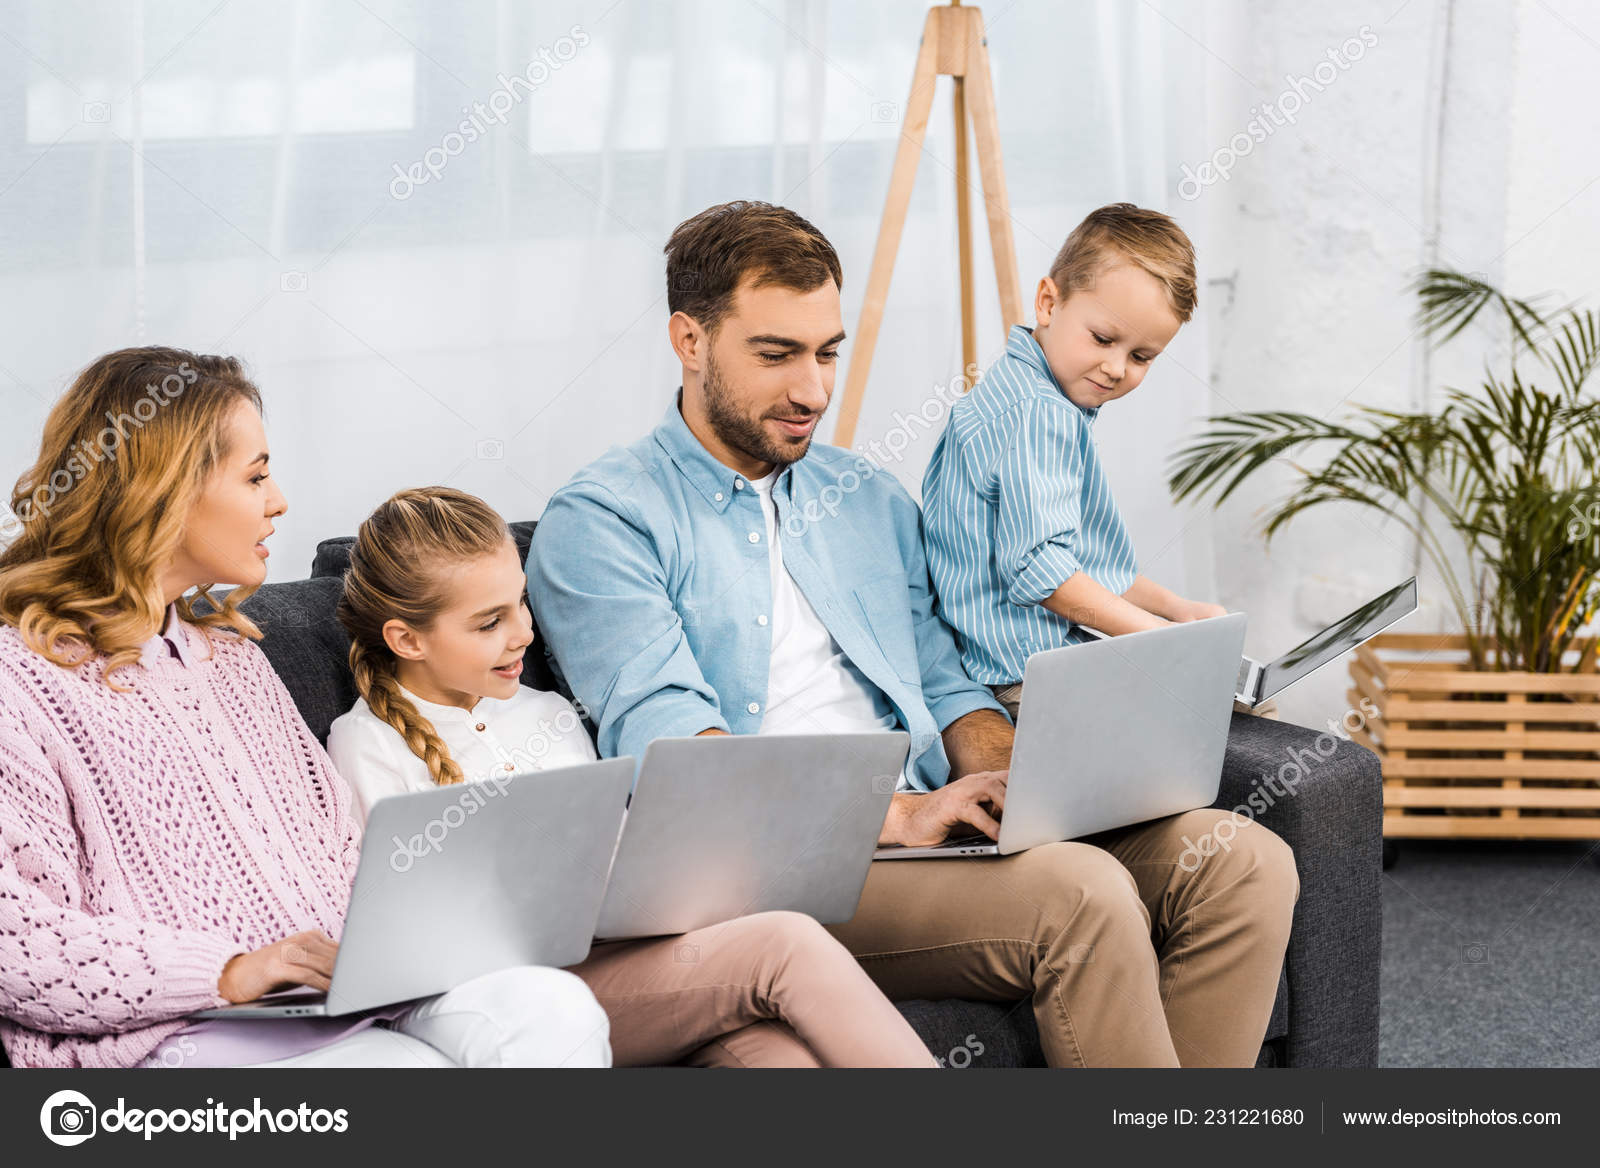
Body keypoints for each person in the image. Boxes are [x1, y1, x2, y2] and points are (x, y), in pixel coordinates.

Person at [527, 201, 1300, 1067]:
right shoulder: (603, 521)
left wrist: (1018, 783)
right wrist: (895, 814)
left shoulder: (867, 496)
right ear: (690, 340)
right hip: (788, 873)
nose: (813, 391)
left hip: (936, 824)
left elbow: (944, 680)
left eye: (827, 353)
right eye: (776, 354)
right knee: (1080, 896)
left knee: (1241, 863)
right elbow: (682, 765)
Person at [0, 348, 607, 1068]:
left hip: (335, 994)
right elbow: (17, 940)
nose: (278, 499)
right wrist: (229, 971)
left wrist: (393, 946)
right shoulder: (21, 682)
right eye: (255, 475)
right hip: (175, 1030)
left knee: (552, 1010)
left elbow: (340, 851)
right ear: (163, 492)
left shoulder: (231, 658)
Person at [327, 486, 937, 1068]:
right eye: (489, 623)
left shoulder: (549, 713)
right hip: (519, 997)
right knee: (786, 945)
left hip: (629, 956)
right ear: (406, 639)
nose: (523, 634)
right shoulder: (366, 744)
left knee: (781, 1054)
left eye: (521, 603)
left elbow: (613, 857)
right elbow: (394, 930)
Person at [921, 202, 1227, 720]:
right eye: (1104, 339)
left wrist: (1179, 611)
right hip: (1018, 678)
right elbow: (1041, 570)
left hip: (1000, 663)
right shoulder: (1041, 414)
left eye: (1141, 357)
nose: (1115, 368)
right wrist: (1155, 636)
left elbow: (1081, 561)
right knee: (1211, 712)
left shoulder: (1017, 388)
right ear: (1048, 302)